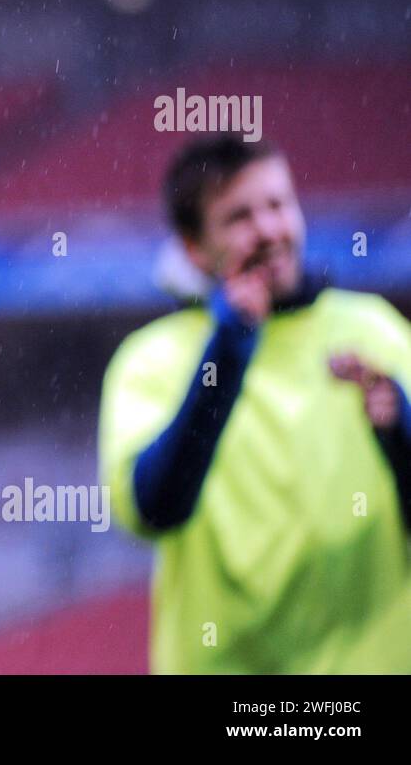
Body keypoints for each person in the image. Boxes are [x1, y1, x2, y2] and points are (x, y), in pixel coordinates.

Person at [99, 135, 411, 673]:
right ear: (195, 248)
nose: (269, 230)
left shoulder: (374, 330)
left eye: (278, 205)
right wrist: (230, 348)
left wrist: (401, 431)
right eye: (240, 216)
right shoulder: (152, 359)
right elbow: (153, 508)